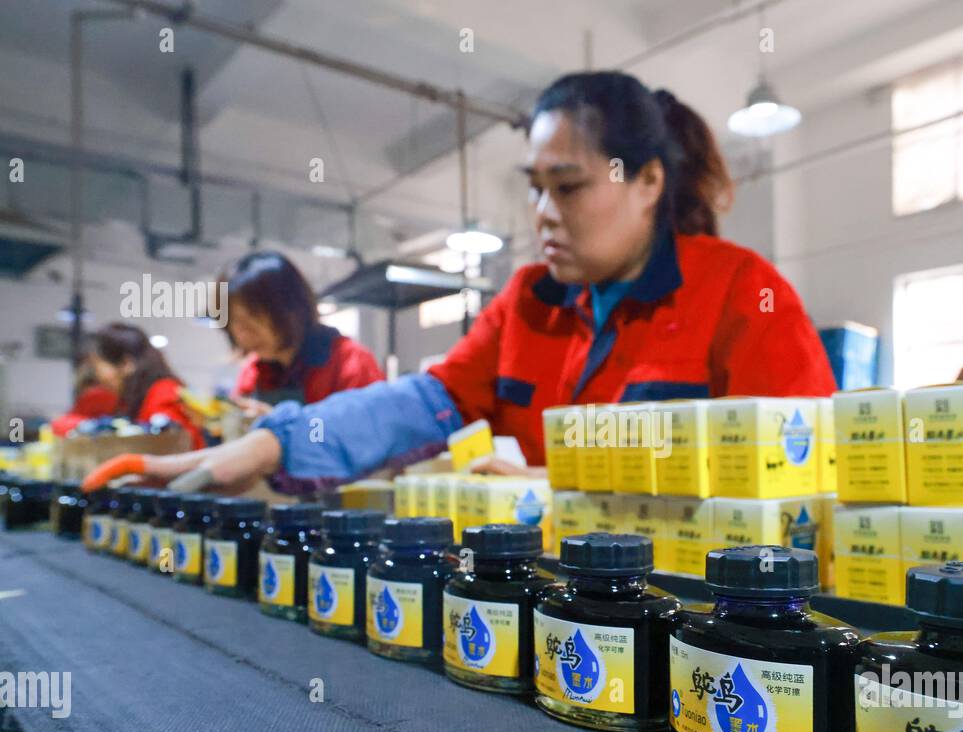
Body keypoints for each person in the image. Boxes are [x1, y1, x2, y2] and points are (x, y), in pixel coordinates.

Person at [83, 71, 836, 495]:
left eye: (567, 188)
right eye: (533, 187)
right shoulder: (529, 303)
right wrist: (272, 444)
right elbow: (423, 403)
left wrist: (555, 476)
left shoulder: (743, 294)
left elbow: (801, 476)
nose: (542, 214)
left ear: (646, 181)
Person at [221, 250, 384, 417]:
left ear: (291, 309)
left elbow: (369, 436)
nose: (243, 334)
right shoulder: (253, 371)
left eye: (254, 316)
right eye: (235, 320)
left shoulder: (350, 364)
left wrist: (284, 428)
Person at [86, 323, 206, 449]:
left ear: (126, 363)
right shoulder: (146, 396)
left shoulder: (162, 397)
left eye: (97, 366)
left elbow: (176, 452)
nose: (97, 375)